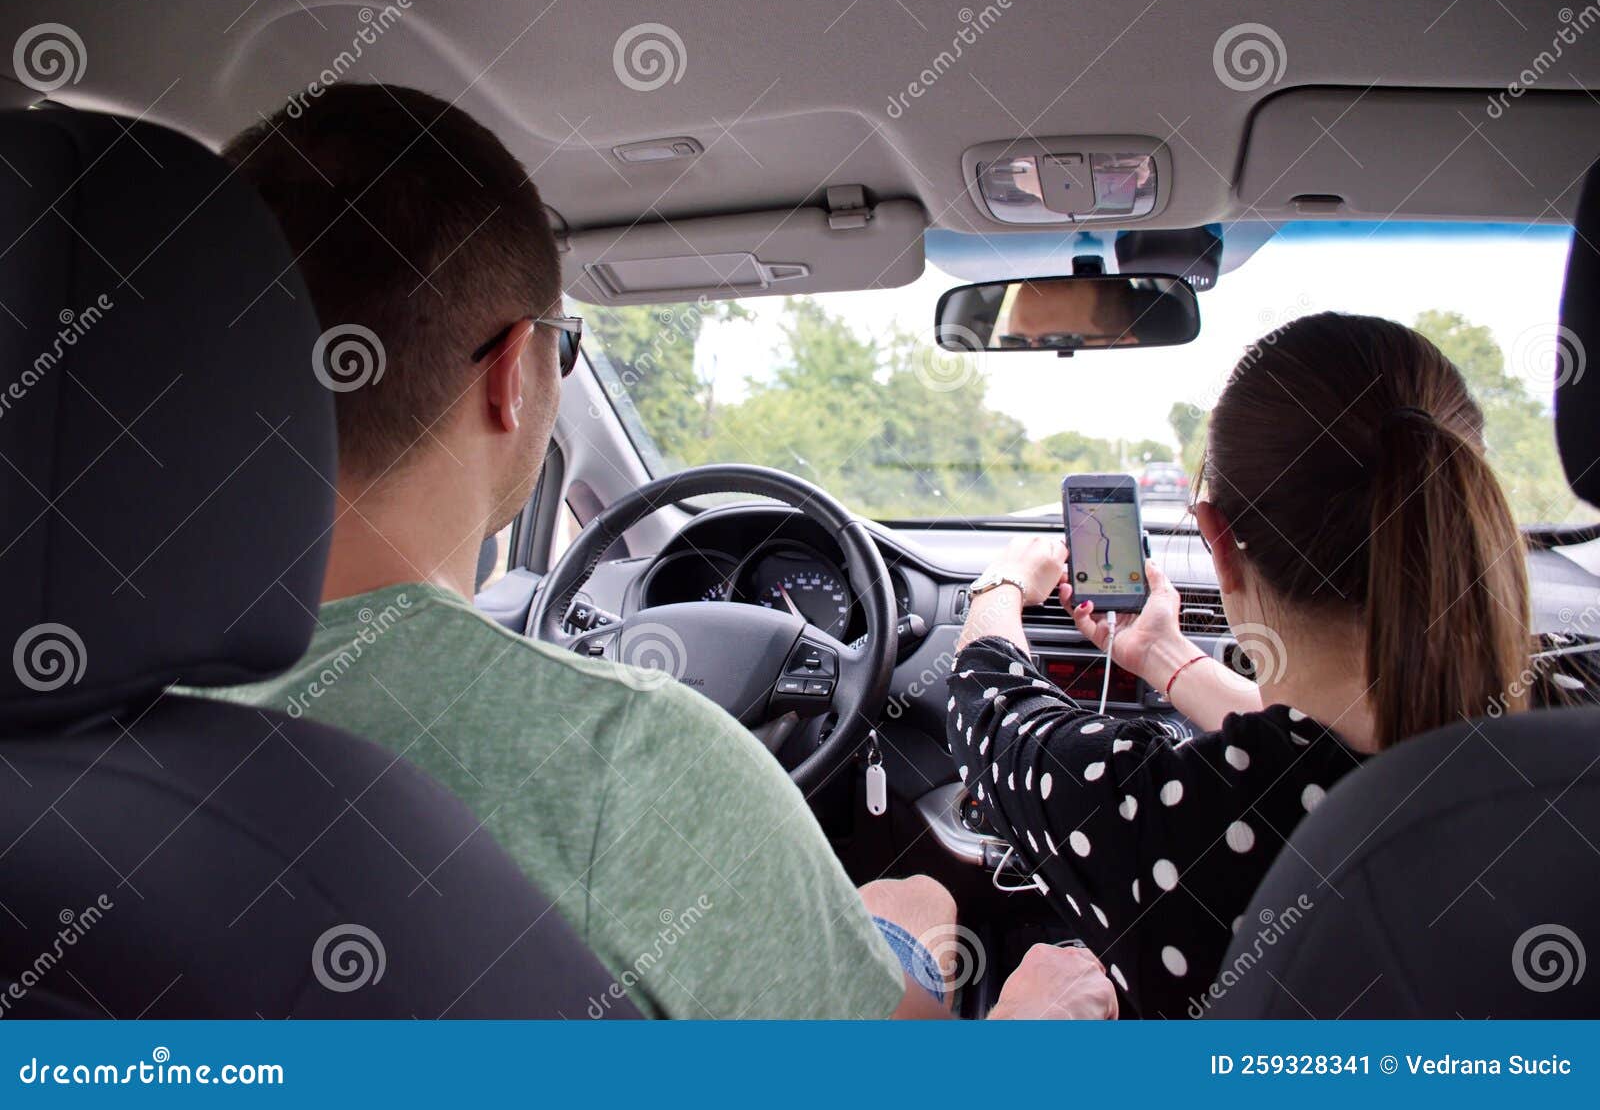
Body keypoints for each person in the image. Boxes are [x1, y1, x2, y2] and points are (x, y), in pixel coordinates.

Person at [212, 83, 1114, 1020]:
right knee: (919, 905)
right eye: (565, 353)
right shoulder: (632, 755)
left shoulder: (84, 706)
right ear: (514, 373)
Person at [947, 312, 1530, 1018]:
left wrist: (1002, 581)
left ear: (1218, 540)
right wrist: (1166, 657)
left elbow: (987, 708)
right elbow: (1327, 744)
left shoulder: (1181, 824)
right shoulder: (1556, 764)